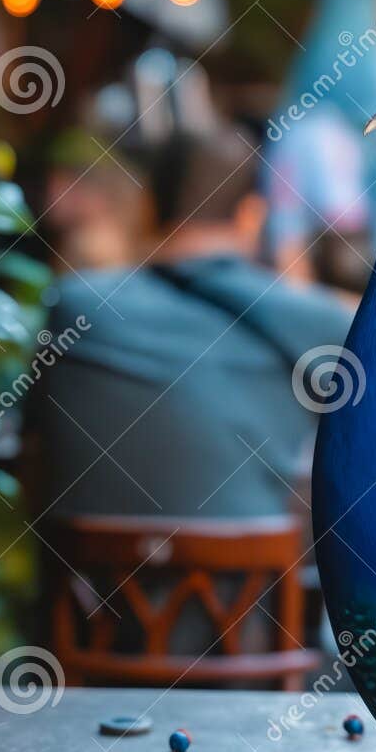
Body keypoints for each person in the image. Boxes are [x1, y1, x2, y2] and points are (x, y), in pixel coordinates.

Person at [29, 124, 354, 522]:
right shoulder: (323, 324)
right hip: (253, 578)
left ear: (146, 206)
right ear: (252, 217)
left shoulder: (72, 308)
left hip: (88, 581)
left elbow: (35, 449)